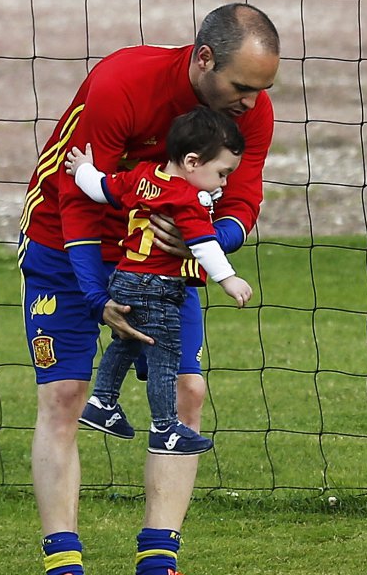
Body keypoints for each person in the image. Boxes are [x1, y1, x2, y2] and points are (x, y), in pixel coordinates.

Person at [18, 3, 279, 575]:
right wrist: (95, 296)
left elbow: (243, 201)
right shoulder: (123, 84)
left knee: (188, 391)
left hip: (159, 260)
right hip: (66, 243)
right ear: (204, 58)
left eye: (262, 89)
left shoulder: (252, 110)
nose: (251, 103)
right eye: (242, 87)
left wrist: (209, 241)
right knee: (65, 396)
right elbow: (76, 196)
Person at [65, 106, 253, 458]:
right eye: (222, 173)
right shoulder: (186, 201)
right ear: (192, 162)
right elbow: (203, 244)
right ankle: (165, 428)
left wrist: (83, 169)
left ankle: (101, 402)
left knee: (128, 341)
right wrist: (228, 279)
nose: (225, 184)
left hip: (125, 278)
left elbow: (101, 188)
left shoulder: (141, 176)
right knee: (165, 357)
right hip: (158, 287)